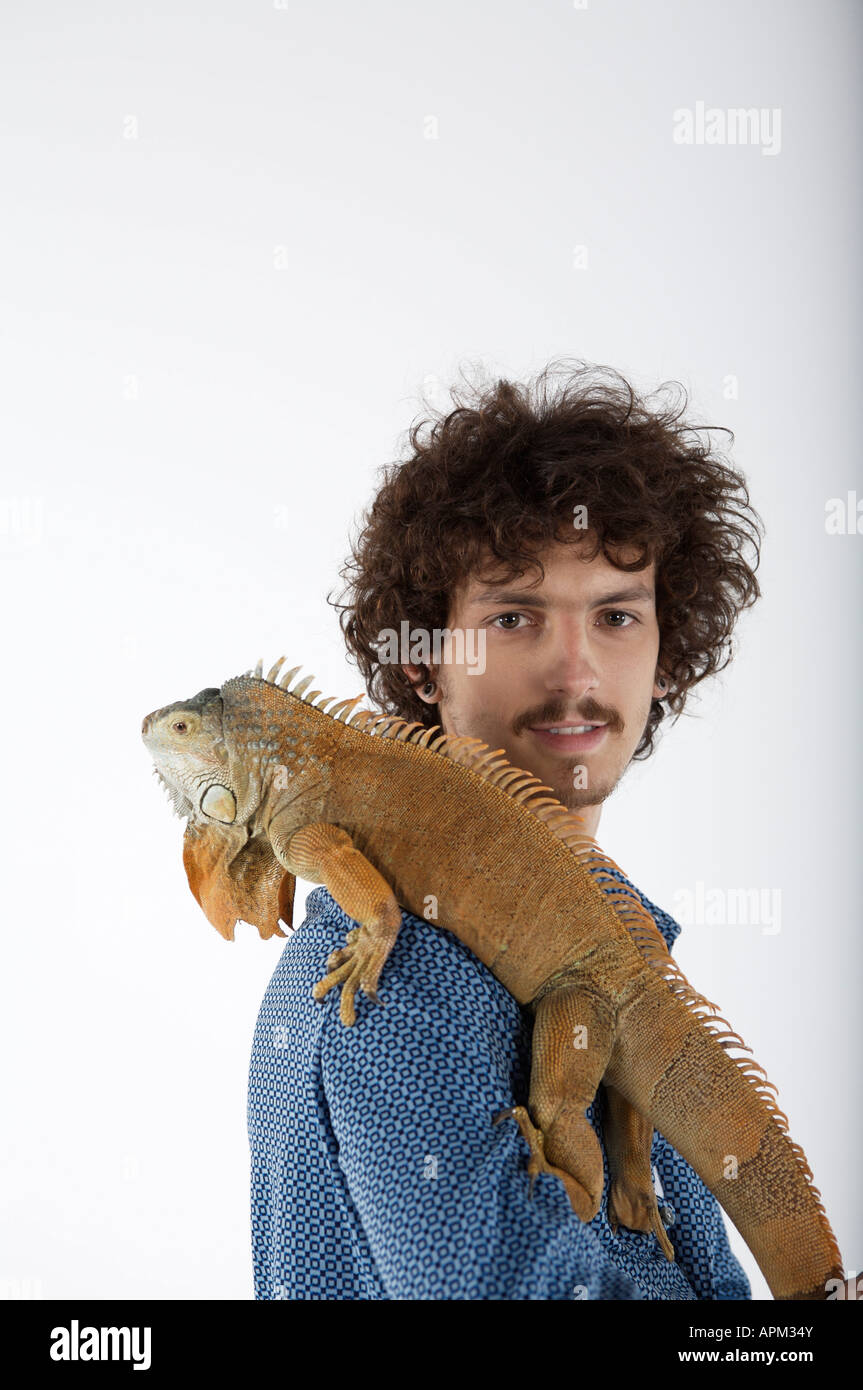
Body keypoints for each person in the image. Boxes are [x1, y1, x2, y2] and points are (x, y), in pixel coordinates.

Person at [248, 360, 762, 1299]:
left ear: (666, 654)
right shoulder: (398, 992)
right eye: (514, 618)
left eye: (615, 615)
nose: (574, 671)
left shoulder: (609, 949)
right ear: (422, 666)